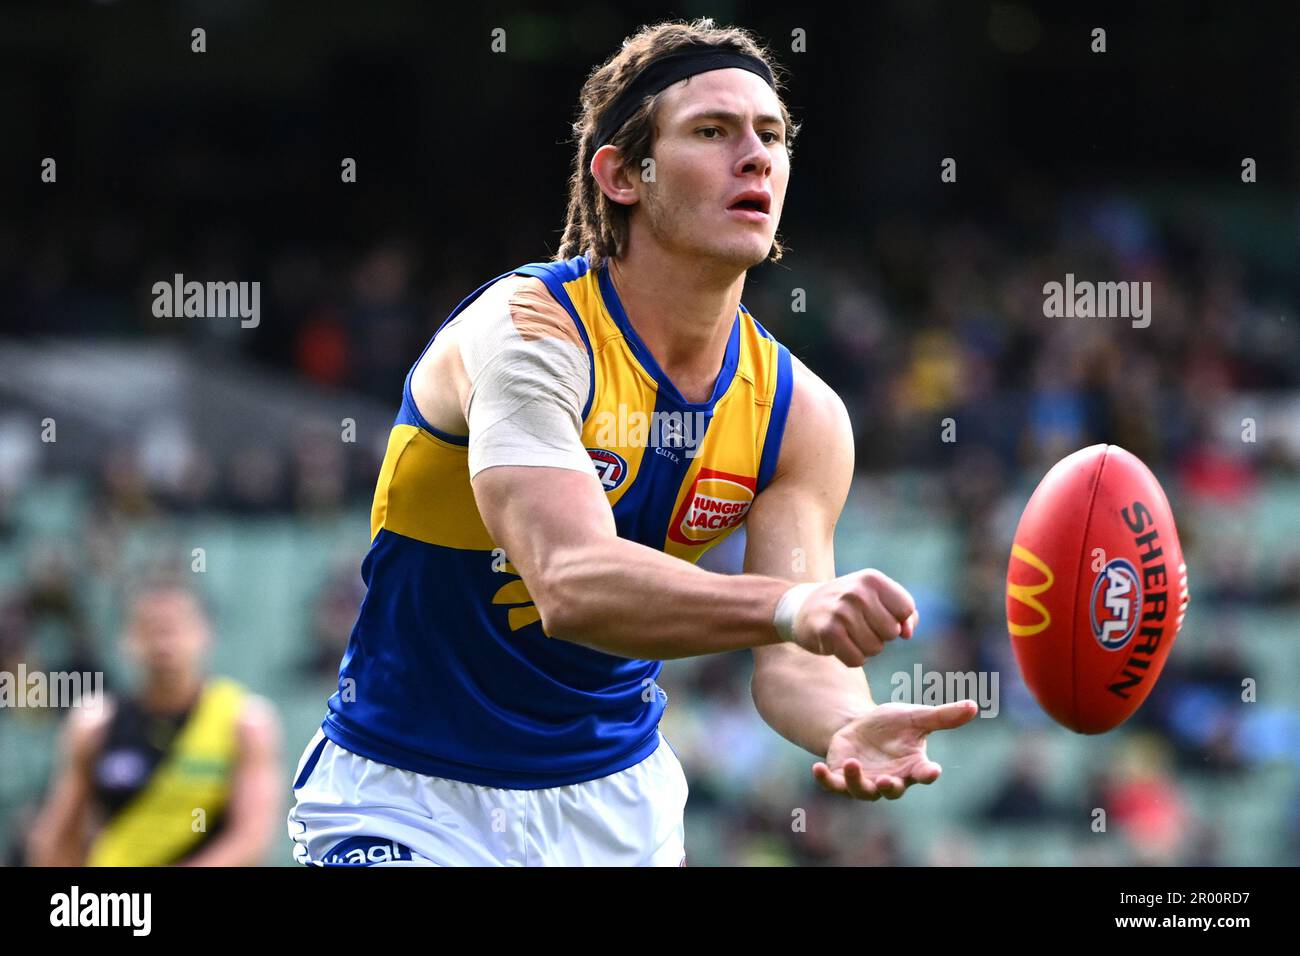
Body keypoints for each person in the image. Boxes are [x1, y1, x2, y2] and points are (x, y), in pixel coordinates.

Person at [288, 17, 977, 868]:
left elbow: (794, 660)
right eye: (712, 132)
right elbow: (571, 582)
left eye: (772, 136)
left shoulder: (801, 413)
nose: (756, 156)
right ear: (619, 174)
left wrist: (844, 721)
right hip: (409, 799)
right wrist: (793, 608)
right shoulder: (529, 333)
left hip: (618, 813)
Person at [27, 577, 282, 866]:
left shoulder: (245, 723)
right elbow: (59, 833)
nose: (164, 643)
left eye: (175, 628)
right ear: (127, 640)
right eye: (150, 630)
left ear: (204, 633)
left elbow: (251, 838)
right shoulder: (96, 725)